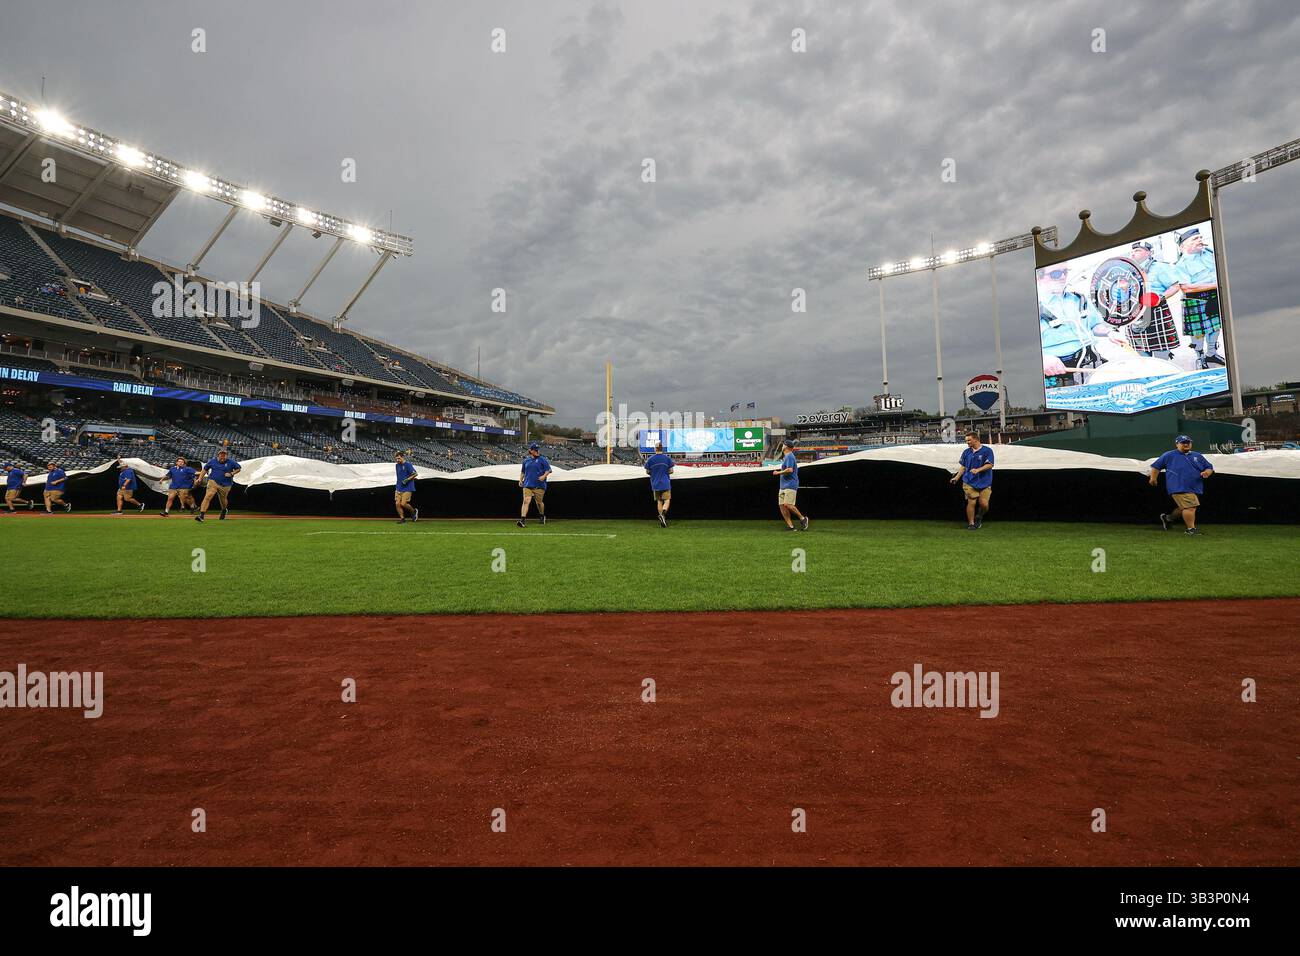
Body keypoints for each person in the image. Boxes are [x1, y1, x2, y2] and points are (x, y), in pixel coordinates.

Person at [1173, 228, 1223, 369]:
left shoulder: (1209, 253)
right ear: (1183, 246)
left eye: (1200, 237)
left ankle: (1211, 353)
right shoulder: (1181, 264)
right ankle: (1200, 357)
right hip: (1196, 300)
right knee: (1198, 334)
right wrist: (1217, 284)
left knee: (1216, 328)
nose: (1200, 240)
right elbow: (1186, 288)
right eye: (1195, 239)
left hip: (1214, 296)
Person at [1150, 434, 1213, 535]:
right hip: (1178, 486)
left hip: (1194, 487)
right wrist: (1153, 478)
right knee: (1190, 507)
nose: (1186, 444)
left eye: (1188, 442)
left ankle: (1168, 518)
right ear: (1177, 444)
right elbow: (1156, 466)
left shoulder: (1197, 455)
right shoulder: (1169, 455)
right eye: (1183, 443)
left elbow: (1209, 467)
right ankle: (1190, 529)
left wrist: (1207, 472)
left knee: (1184, 507)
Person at [950, 431, 994, 530]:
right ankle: (971, 524)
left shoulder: (987, 451)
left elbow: (990, 465)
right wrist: (956, 477)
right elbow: (963, 467)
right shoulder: (966, 452)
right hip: (969, 481)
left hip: (985, 481)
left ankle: (979, 516)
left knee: (984, 504)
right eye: (966, 441)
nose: (967, 442)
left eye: (969, 440)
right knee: (972, 502)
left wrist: (978, 470)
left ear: (976, 439)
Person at [195, 449, 241, 522]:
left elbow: (238, 468)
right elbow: (205, 469)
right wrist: (200, 478)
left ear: (226, 456)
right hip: (213, 481)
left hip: (226, 484)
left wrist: (231, 473)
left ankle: (224, 510)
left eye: (224, 455)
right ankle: (201, 515)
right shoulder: (212, 461)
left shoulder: (231, 462)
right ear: (218, 456)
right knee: (208, 496)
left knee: (223, 500)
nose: (222, 457)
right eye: (221, 455)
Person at [773, 440, 808, 531]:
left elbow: (790, 470)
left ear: (786, 447)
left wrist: (778, 472)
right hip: (783, 486)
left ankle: (803, 519)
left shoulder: (789, 456)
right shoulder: (787, 457)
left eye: (783, 445)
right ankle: (790, 526)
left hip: (790, 484)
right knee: (782, 505)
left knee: (788, 504)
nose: (782, 446)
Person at [517, 442, 551, 527]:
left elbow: (548, 470)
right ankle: (522, 521)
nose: (537, 451)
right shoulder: (526, 461)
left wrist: (544, 476)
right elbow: (523, 472)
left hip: (539, 485)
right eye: (535, 450)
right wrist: (520, 480)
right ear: (531, 451)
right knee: (526, 501)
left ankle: (542, 516)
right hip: (527, 484)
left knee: (539, 503)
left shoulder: (542, 459)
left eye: (537, 450)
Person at [644, 442, 674, 527]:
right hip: (665, 482)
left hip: (655, 483)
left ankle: (662, 520)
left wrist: (654, 474)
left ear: (655, 449)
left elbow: (647, 471)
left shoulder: (650, 459)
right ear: (662, 448)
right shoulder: (667, 458)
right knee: (667, 500)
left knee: (659, 501)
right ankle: (663, 514)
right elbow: (671, 471)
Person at [394, 452, 419, 524]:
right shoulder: (397, 465)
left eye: (399, 458)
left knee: (403, 504)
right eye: (396, 459)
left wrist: (407, 480)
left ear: (402, 457)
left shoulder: (408, 465)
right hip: (399, 487)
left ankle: (414, 511)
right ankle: (402, 519)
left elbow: (415, 474)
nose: (397, 460)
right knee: (397, 504)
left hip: (408, 487)